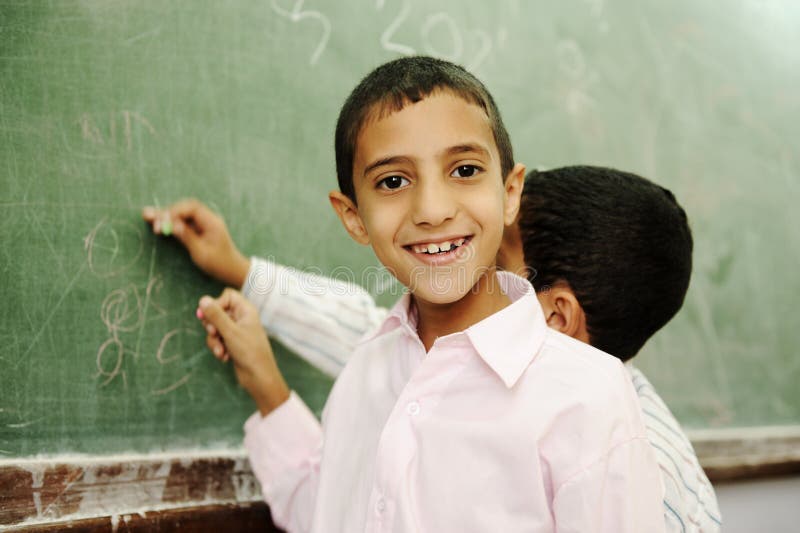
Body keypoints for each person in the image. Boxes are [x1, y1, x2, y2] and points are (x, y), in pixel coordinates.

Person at [145, 57, 664, 532]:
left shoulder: (586, 397)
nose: (432, 209)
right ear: (353, 218)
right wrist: (267, 389)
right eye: (393, 181)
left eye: (464, 170)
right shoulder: (366, 372)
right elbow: (331, 515)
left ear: (509, 193)